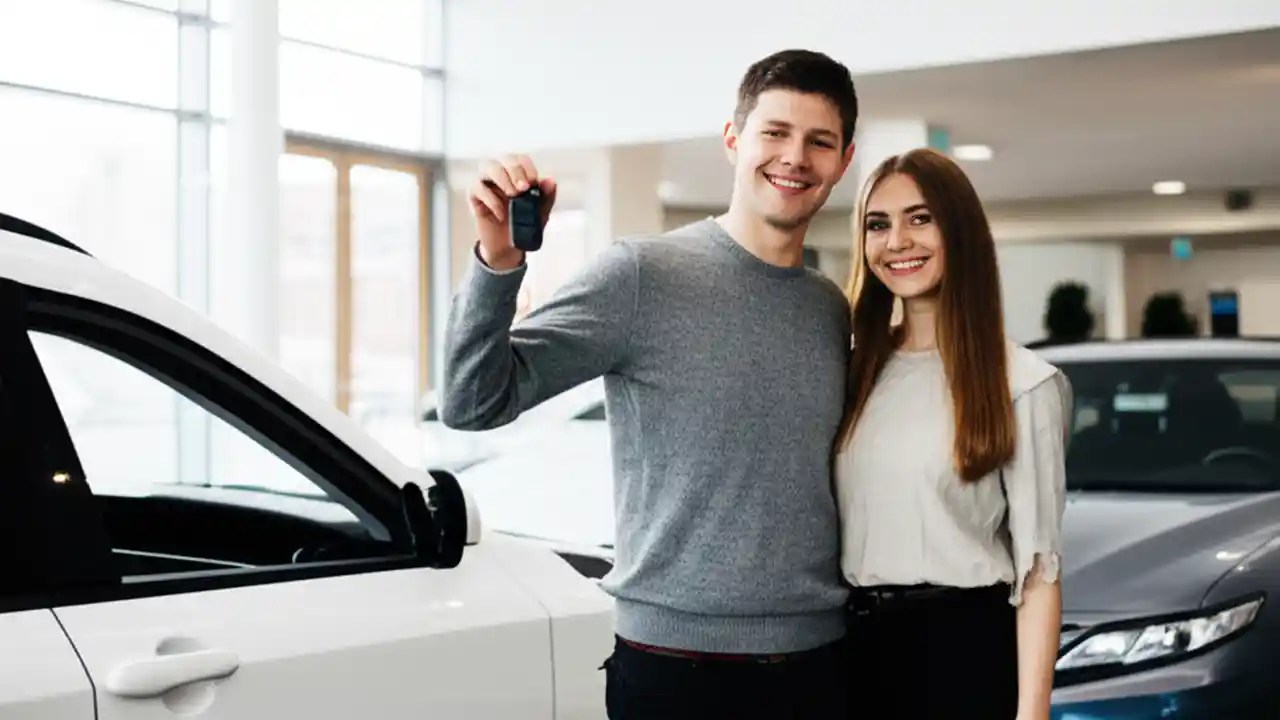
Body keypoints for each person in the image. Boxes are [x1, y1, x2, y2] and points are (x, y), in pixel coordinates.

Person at [440, 49, 859, 718]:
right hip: (675, 674)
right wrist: (499, 260)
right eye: (774, 133)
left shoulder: (829, 307)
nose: (795, 157)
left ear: (843, 160)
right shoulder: (642, 275)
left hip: (819, 667)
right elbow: (472, 401)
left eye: (819, 141)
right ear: (733, 140)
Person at [833, 148, 1070, 719]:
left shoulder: (1023, 383)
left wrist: (1031, 715)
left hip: (961, 653)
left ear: (958, 230)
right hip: (851, 651)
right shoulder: (853, 371)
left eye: (920, 218)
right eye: (878, 224)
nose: (897, 242)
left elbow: (1039, 575)